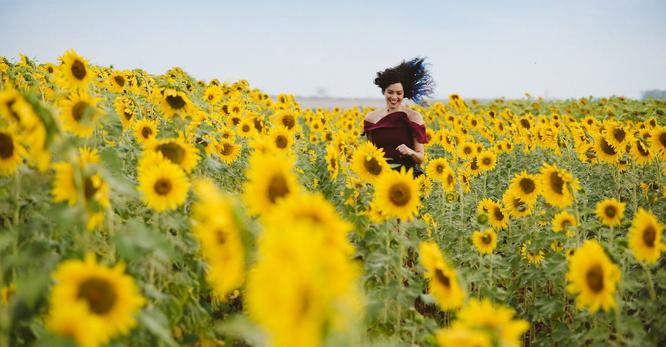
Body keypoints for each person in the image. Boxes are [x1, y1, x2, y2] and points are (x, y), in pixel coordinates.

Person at [363, 57, 434, 177]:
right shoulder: (371, 118)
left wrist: (410, 152)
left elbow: (420, 158)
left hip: (406, 180)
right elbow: (370, 152)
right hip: (380, 179)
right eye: (390, 92)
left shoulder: (413, 117)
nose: (394, 97)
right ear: (384, 92)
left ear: (404, 94)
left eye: (399, 93)